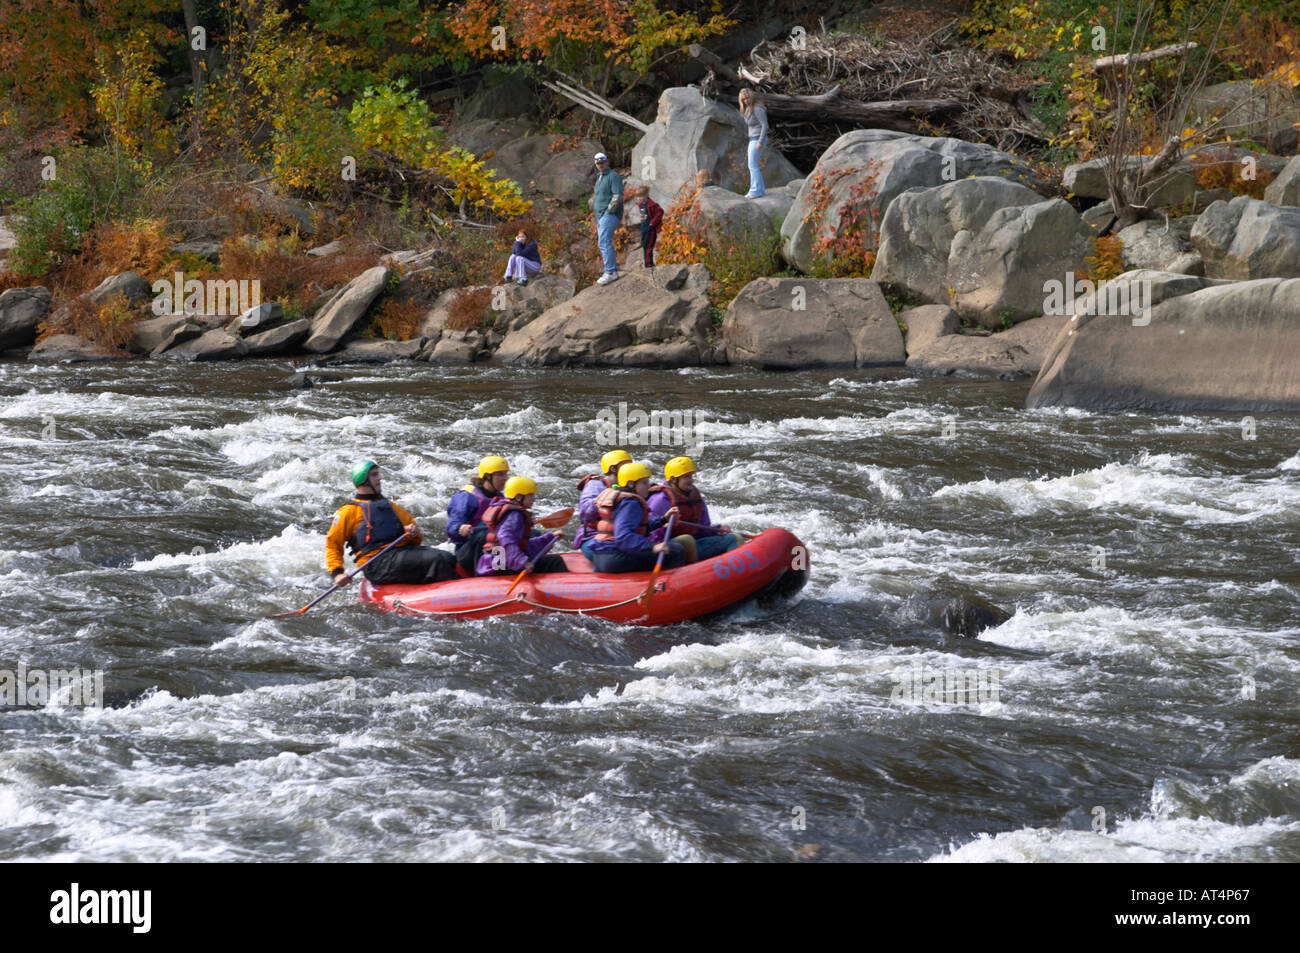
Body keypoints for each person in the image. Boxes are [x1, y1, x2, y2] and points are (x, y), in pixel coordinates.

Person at [326, 460, 459, 587]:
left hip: (399, 554)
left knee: (448, 557)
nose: (379, 478)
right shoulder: (348, 511)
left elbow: (417, 538)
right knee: (437, 559)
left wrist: (412, 533)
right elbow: (333, 544)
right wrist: (337, 573)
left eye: (377, 474)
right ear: (363, 480)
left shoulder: (389, 506)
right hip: (377, 564)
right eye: (374, 475)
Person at [586, 461, 688, 573]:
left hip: (601, 556)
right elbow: (623, 537)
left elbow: (637, 528)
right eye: (644, 483)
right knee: (675, 550)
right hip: (615, 558)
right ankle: (669, 584)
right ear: (631, 484)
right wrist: (651, 547)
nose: (648, 486)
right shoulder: (631, 503)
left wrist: (662, 520)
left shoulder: (621, 498)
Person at [648, 456, 745, 561]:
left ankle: (735, 572)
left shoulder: (694, 496)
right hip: (669, 550)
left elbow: (702, 528)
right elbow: (650, 534)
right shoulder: (659, 499)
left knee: (734, 538)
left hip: (694, 544)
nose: (691, 480)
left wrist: (716, 530)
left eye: (691, 476)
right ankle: (692, 573)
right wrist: (664, 528)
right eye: (686, 477)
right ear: (673, 479)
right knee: (687, 540)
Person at [476, 476, 569, 576]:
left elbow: (523, 545)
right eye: (530, 495)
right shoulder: (515, 515)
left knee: (546, 559)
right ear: (519, 497)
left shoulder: (512, 512)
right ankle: (566, 589)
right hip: (499, 567)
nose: (533, 499)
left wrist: (550, 537)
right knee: (555, 561)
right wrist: (522, 561)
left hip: (496, 563)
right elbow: (505, 537)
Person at [446, 455, 509, 574]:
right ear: (487, 477)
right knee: (485, 535)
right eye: (500, 475)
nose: (505, 478)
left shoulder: (500, 497)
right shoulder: (466, 497)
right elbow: (451, 527)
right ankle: (484, 574)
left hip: (493, 547)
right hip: (466, 553)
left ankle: (509, 568)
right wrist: (460, 528)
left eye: (505, 474)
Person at [574, 448, 631, 558]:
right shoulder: (596, 484)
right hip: (594, 538)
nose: (630, 469)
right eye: (626, 466)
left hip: (619, 536)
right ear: (613, 469)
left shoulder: (630, 485)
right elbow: (585, 512)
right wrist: (610, 498)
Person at [591, 152, 623, 285]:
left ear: (607, 162)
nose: (600, 165)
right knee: (603, 243)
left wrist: (609, 211)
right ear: (595, 164)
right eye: (598, 163)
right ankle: (612, 271)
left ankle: (609, 272)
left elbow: (617, 196)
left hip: (609, 215)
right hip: (600, 216)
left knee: (604, 242)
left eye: (602, 162)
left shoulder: (613, 176)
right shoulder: (599, 177)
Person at [738, 89, 769, 199]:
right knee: (753, 165)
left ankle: (755, 191)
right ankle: (760, 190)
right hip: (753, 138)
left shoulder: (757, 108)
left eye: (747, 98)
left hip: (758, 139)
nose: (746, 100)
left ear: (751, 96)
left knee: (752, 165)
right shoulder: (748, 109)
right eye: (743, 99)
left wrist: (760, 141)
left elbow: (765, 125)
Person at [635, 186, 663, 269]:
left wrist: (652, 223)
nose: (639, 198)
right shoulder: (641, 205)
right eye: (638, 196)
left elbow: (660, 212)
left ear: (646, 195)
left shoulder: (652, 204)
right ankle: (647, 263)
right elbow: (644, 215)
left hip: (651, 230)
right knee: (644, 245)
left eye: (641, 196)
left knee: (648, 246)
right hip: (644, 228)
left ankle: (649, 264)